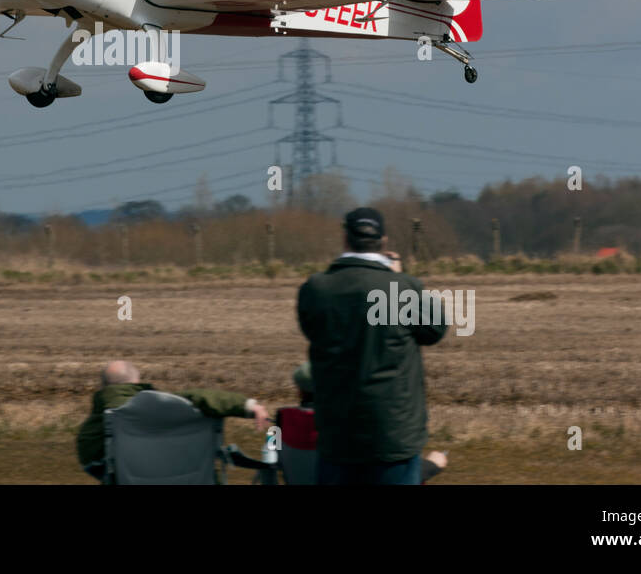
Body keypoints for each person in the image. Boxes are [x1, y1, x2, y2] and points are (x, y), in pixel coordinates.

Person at [297, 207, 447, 484]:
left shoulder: (316, 289)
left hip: (338, 434)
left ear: (345, 239)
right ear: (384, 242)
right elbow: (435, 329)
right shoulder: (400, 288)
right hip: (393, 434)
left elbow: (311, 330)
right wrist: (399, 277)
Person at [76, 359, 270, 479]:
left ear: (103, 388)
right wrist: (248, 406)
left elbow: (94, 465)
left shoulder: (94, 429)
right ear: (136, 382)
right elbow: (200, 397)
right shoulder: (172, 406)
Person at [282, 360, 447, 483]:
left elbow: (273, 458)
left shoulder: (283, 423)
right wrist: (430, 466)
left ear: (299, 392)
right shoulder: (351, 431)